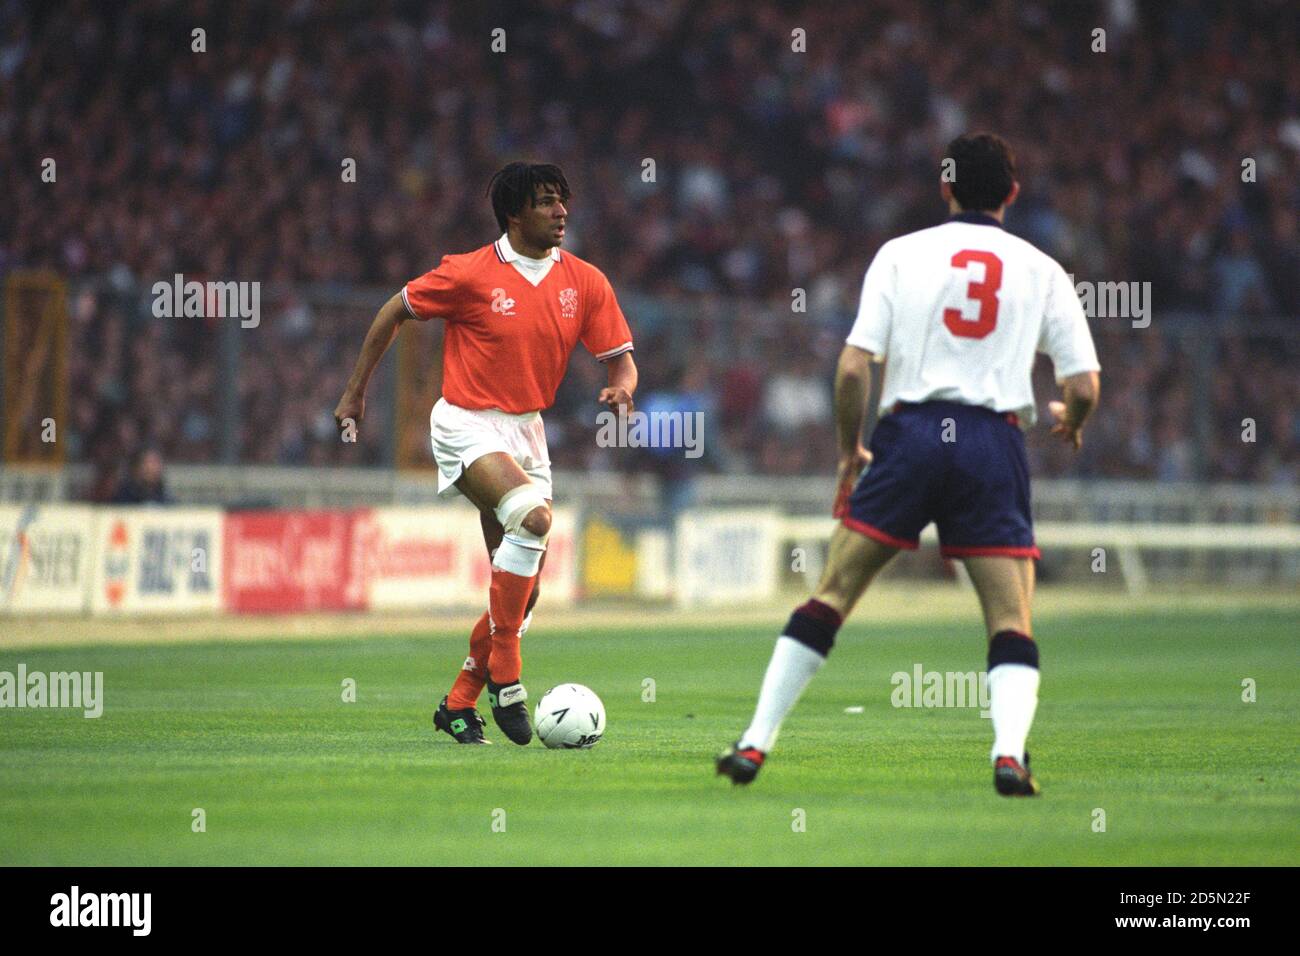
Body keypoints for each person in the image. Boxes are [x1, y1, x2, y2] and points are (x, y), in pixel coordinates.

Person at [716, 134, 1100, 796]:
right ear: (1012, 193)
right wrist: (1074, 419)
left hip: (909, 435)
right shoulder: (1043, 270)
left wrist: (847, 450)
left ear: (945, 188)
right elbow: (1085, 385)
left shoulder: (900, 255)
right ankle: (1009, 755)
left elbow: (853, 366)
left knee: (832, 593)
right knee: (1010, 619)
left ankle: (755, 742)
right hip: (991, 442)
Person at [334, 162, 637, 745]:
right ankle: (508, 678)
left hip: (527, 432)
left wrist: (623, 385)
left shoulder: (585, 281)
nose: (561, 211)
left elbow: (621, 358)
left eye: (563, 200)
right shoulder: (469, 273)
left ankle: (457, 703)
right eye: (547, 202)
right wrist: (355, 392)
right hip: (466, 422)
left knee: (525, 594)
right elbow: (394, 309)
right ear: (514, 213)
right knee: (536, 519)